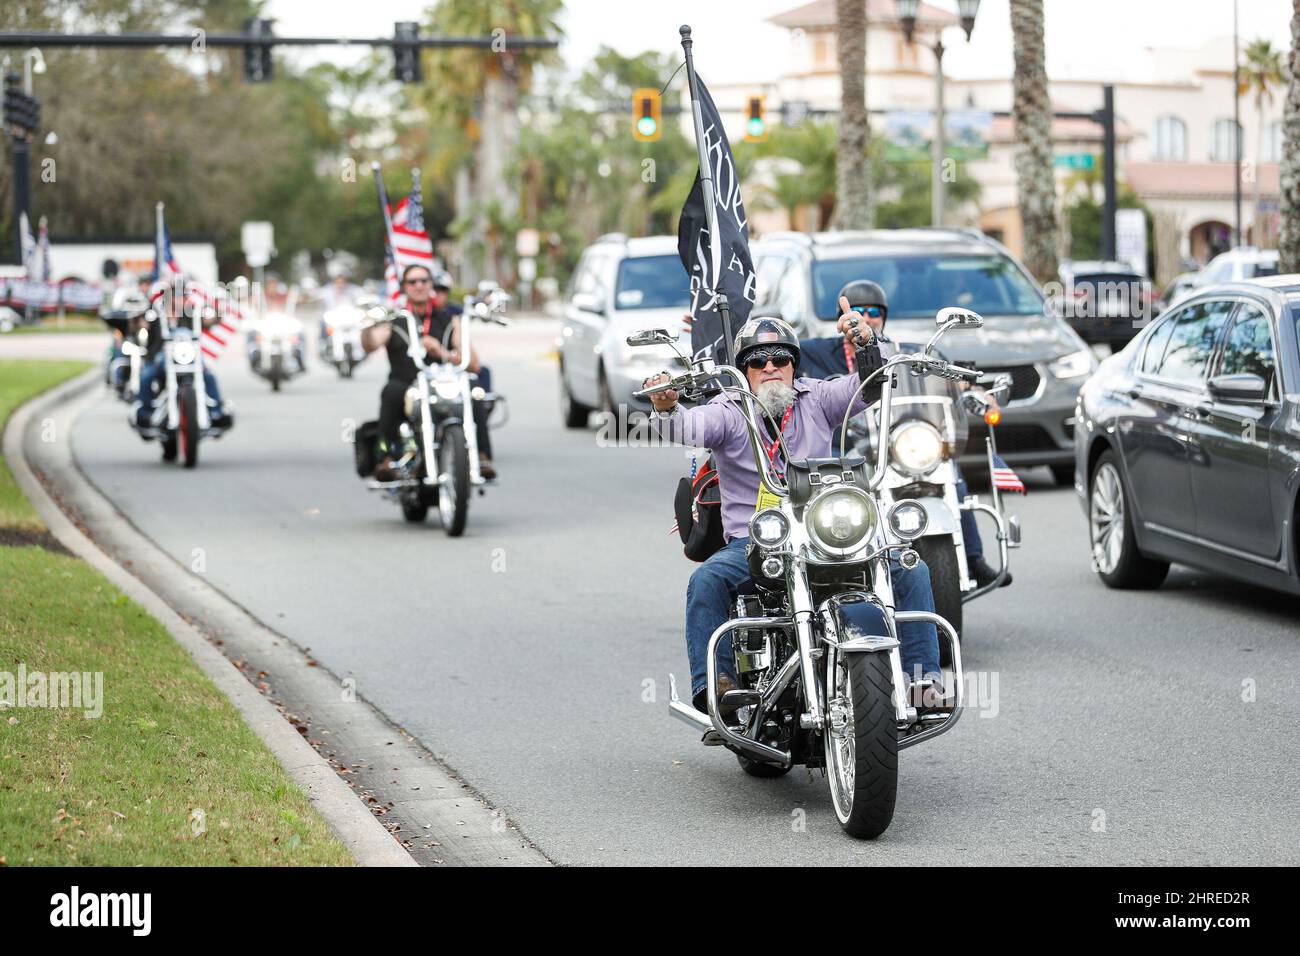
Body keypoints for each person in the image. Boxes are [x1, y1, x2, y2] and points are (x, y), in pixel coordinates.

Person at [644, 309, 946, 720]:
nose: (770, 367)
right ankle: (717, 684)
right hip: (758, 542)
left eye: (780, 358)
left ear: (793, 366)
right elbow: (687, 427)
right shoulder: (729, 410)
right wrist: (666, 405)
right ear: (744, 370)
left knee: (911, 569)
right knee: (706, 581)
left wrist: (865, 343)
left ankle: (922, 681)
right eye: (757, 360)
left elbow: (870, 388)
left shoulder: (818, 398)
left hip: (831, 534)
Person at [807, 281, 1011, 588]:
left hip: (896, 442)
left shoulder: (902, 353)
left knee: (949, 470)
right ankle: (846, 570)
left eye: (874, 312)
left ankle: (972, 558)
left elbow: (944, 375)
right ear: (841, 317)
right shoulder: (816, 353)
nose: (866, 317)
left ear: (883, 318)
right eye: (858, 311)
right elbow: (782, 363)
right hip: (845, 445)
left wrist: (976, 392)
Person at [360, 265, 497, 480]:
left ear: (431, 284)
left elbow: (473, 364)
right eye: (412, 282)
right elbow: (370, 345)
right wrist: (366, 326)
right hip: (406, 384)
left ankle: (481, 456)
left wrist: (442, 352)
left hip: (443, 382)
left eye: (424, 280)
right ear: (404, 287)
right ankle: (386, 458)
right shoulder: (395, 321)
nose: (419, 286)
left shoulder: (449, 320)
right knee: (390, 393)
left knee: (473, 390)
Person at [134, 281, 231, 430]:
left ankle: (216, 412)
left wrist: (218, 313)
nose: (179, 299)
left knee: (209, 377)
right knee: (146, 376)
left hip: (189, 357)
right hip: (162, 356)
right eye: (175, 295)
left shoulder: (191, 313)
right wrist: (140, 321)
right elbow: (142, 324)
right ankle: (144, 414)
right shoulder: (156, 313)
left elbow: (208, 321)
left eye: (182, 296)